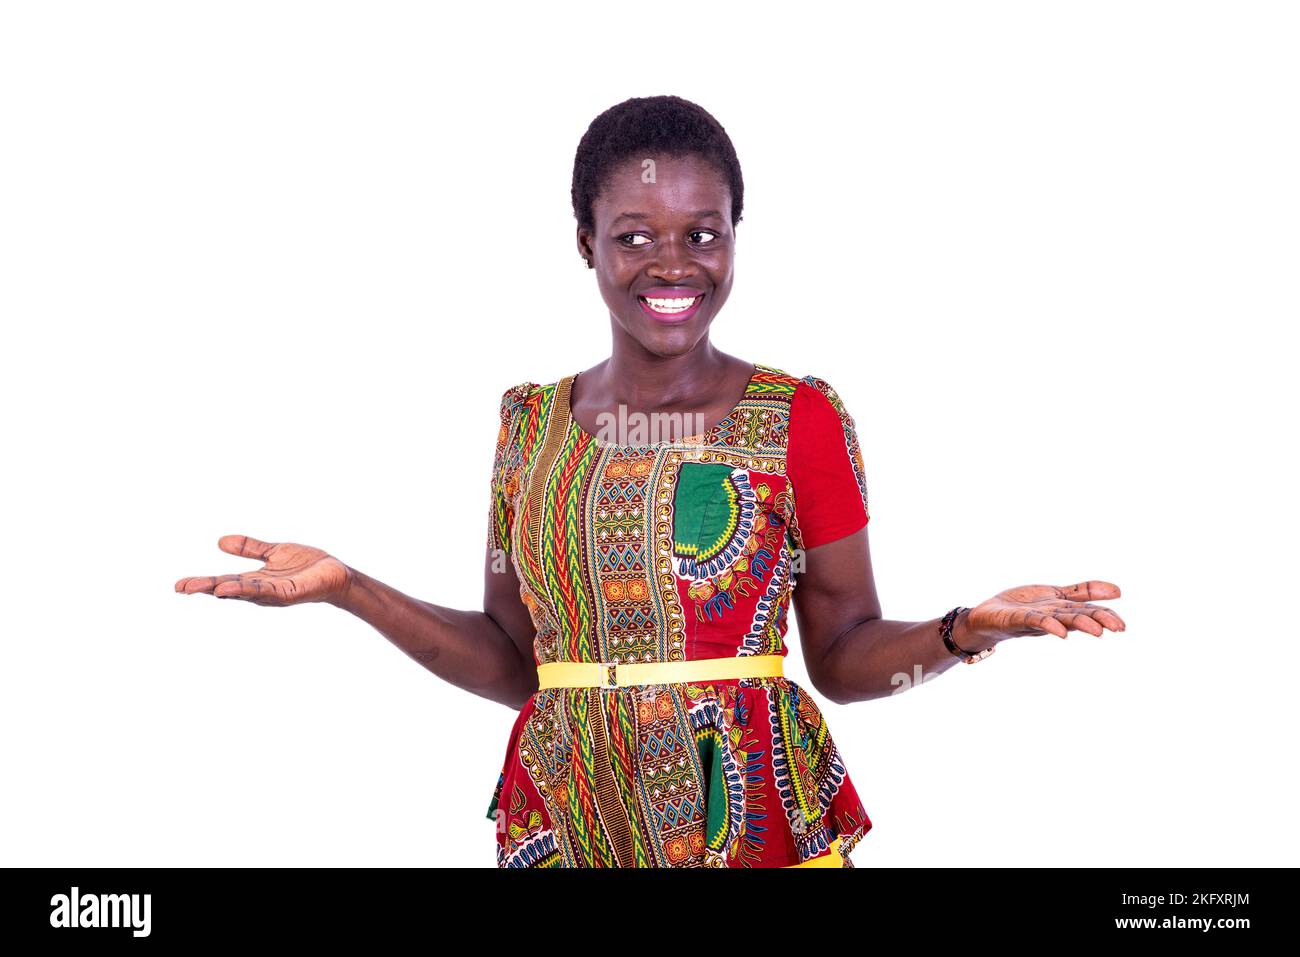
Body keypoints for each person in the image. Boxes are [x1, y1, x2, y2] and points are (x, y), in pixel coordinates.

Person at [175, 95, 1126, 868]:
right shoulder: (528, 428)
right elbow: (517, 663)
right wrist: (351, 590)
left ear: (734, 239)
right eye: (634, 236)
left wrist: (964, 632)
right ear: (586, 243)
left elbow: (840, 659)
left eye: (702, 234)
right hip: (570, 820)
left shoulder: (800, 420)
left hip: (749, 826)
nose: (672, 265)